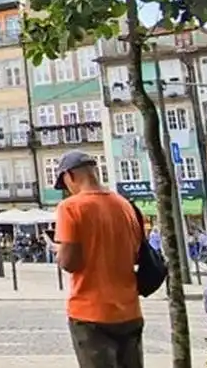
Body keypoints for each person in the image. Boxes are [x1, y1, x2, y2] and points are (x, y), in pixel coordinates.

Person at [53, 150, 143, 368]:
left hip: (91, 312)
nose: (67, 190)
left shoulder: (71, 207)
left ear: (70, 176)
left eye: (65, 184)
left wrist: (57, 249)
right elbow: (136, 252)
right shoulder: (125, 205)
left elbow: (69, 263)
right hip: (130, 311)